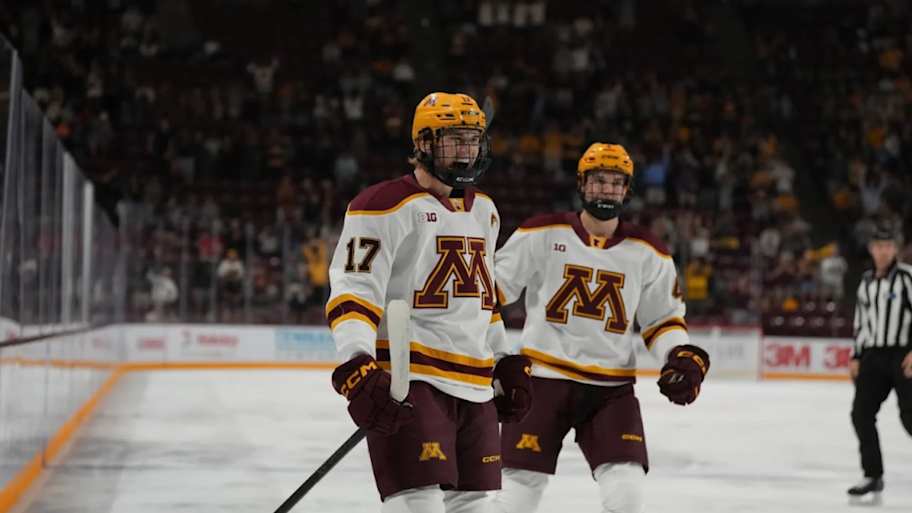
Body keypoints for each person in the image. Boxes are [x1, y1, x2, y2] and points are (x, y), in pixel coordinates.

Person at [326, 92, 533, 513]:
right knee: (416, 504)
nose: (466, 151)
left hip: (475, 387)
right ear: (423, 143)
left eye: (472, 140)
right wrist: (357, 361)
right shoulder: (381, 205)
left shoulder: (486, 211)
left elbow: (482, 298)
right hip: (411, 380)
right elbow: (354, 291)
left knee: (475, 505)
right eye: (454, 140)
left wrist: (501, 358)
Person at [491, 143, 710, 513]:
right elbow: (489, 295)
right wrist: (493, 354)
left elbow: (662, 320)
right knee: (517, 493)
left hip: (611, 389)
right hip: (542, 380)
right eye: (598, 181)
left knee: (626, 494)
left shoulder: (649, 251)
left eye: (615, 182)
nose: (607, 190)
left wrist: (678, 354)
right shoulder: (542, 232)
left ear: (627, 189)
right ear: (582, 184)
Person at [847, 221, 912, 503]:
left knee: (910, 418)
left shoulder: (907, 278)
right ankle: (873, 475)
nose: (883, 251)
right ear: (871, 249)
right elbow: (861, 323)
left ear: (895, 249)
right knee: (861, 414)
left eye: (888, 246)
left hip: (903, 355)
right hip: (873, 357)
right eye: (878, 246)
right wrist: (856, 355)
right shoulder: (865, 282)